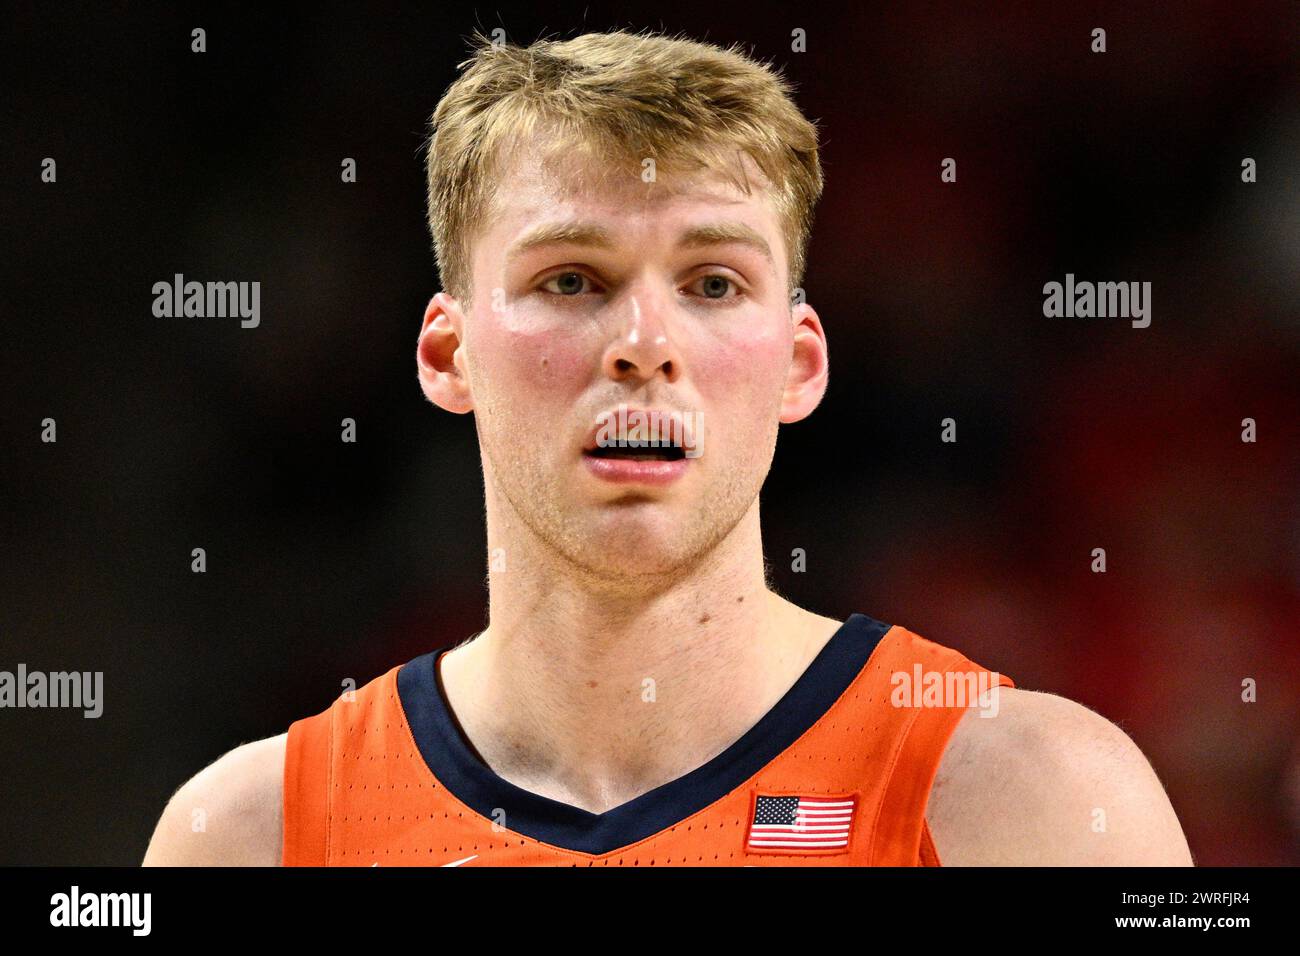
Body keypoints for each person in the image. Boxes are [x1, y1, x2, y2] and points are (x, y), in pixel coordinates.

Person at [144, 29, 1193, 867]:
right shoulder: (256, 833)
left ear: (798, 362)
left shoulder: (1031, 795)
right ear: (447, 351)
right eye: (571, 280)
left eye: (712, 284)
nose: (644, 346)